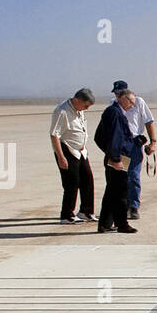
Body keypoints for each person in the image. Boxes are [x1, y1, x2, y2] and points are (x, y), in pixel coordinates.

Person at [94, 92, 139, 234]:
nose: (132, 105)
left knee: (112, 192)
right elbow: (113, 138)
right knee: (120, 192)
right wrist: (115, 158)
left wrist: (135, 141)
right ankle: (122, 224)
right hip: (118, 159)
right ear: (123, 99)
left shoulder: (116, 112)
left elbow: (106, 137)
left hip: (120, 157)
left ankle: (105, 224)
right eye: (131, 102)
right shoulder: (114, 113)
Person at [111, 79, 156, 220]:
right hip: (121, 146)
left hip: (134, 145)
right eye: (116, 93)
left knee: (134, 176)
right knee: (121, 176)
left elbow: (149, 121)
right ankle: (122, 206)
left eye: (119, 93)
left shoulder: (139, 102)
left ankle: (134, 206)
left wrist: (153, 142)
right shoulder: (113, 105)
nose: (117, 96)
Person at [50, 89, 96, 223]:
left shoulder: (79, 110)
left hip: (81, 151)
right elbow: (54, 135)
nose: (86, 109)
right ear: (77, 100)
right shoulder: (62, 111)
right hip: (67, 149)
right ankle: (66, 214)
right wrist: (60, 157)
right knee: (71, 183)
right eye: (86, 105)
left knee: (87, 179)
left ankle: (86, 211)